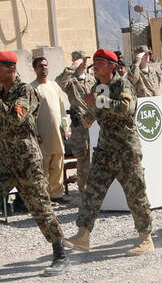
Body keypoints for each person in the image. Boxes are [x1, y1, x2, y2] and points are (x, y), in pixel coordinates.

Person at [0, 52, 69, 277]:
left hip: (27, 161)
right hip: (6, 161)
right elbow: (7, 126)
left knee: (40, 206)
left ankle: (61, 254)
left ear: (11, 69)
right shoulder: (2, 93)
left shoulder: (25, 91)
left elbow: (17, 116)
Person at [64, 49, 154, 256]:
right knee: (92, 191)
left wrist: (97, 101)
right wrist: (84, 119)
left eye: (100, 62)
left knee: (135, 194)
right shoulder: (99, 87)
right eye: (94, 62)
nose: (95, 66)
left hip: (126, 150)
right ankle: (83, 235)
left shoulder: (122, 84)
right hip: (105, 150)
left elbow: (126, 108)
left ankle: (146, 238)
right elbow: (94, 112)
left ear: (112, 66)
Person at [29, 55, 70, 202]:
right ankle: (44, 197)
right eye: (40, 66)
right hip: (42, 134)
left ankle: (57, 194)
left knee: (58, 163)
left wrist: (66, 128)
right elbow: (30, 115)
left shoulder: (54, 86)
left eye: (45, 65)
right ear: (35, 69)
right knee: (44, 166)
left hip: (57, 134)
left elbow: (61, 109)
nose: (44, 68)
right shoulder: (32, 89)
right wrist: (34, 133)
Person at [57, 51, 96, 191]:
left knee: (96, 156)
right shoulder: (70, 80)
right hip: (80, 125)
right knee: (83, 157)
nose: (85, 62)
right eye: (82, 59)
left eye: (86, 59)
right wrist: (73, 67)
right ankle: (83, 190)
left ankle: (95, 189)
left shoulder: (91, 79)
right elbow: (60, 83)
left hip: (94, 123)